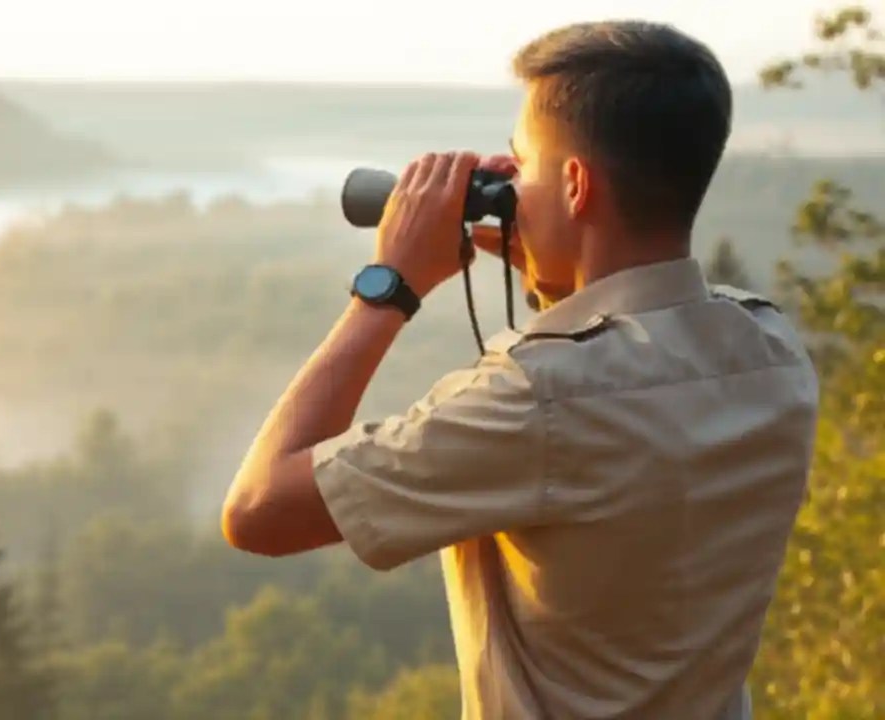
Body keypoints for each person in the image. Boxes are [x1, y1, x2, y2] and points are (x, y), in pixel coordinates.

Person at [220, 19, 819, 720]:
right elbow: (631, 367)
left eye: (520, 164)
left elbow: (259, 511)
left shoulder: (539, 401)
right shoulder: (774, 353)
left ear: (574, 184)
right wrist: (559, 270)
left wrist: (389, 284)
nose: (509, 184)